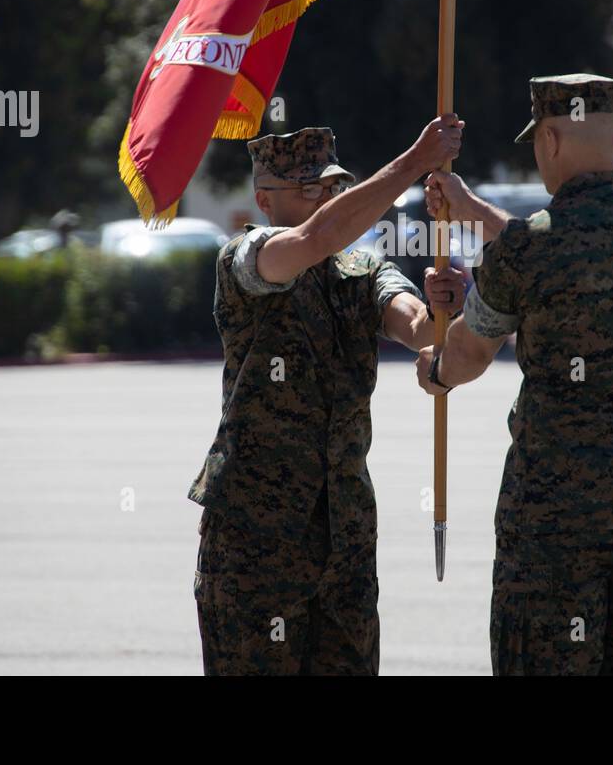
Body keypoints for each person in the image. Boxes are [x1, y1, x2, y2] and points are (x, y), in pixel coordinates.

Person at [416, 74, 613, 675]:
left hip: (554, 521)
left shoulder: (529, 250)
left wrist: (434, 368)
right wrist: (468, 210)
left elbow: (467, 356)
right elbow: (588, 239)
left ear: (548, 138)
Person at [190, 121, 465, 675]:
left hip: (344, 537)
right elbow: (317, 238)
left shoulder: (361, 273)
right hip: (256, 539)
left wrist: (443, 310)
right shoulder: (247, 259)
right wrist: (415, 161)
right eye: (311, 188)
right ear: (265, 200)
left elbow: (412, 325)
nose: (328, 197)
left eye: (334, 185)